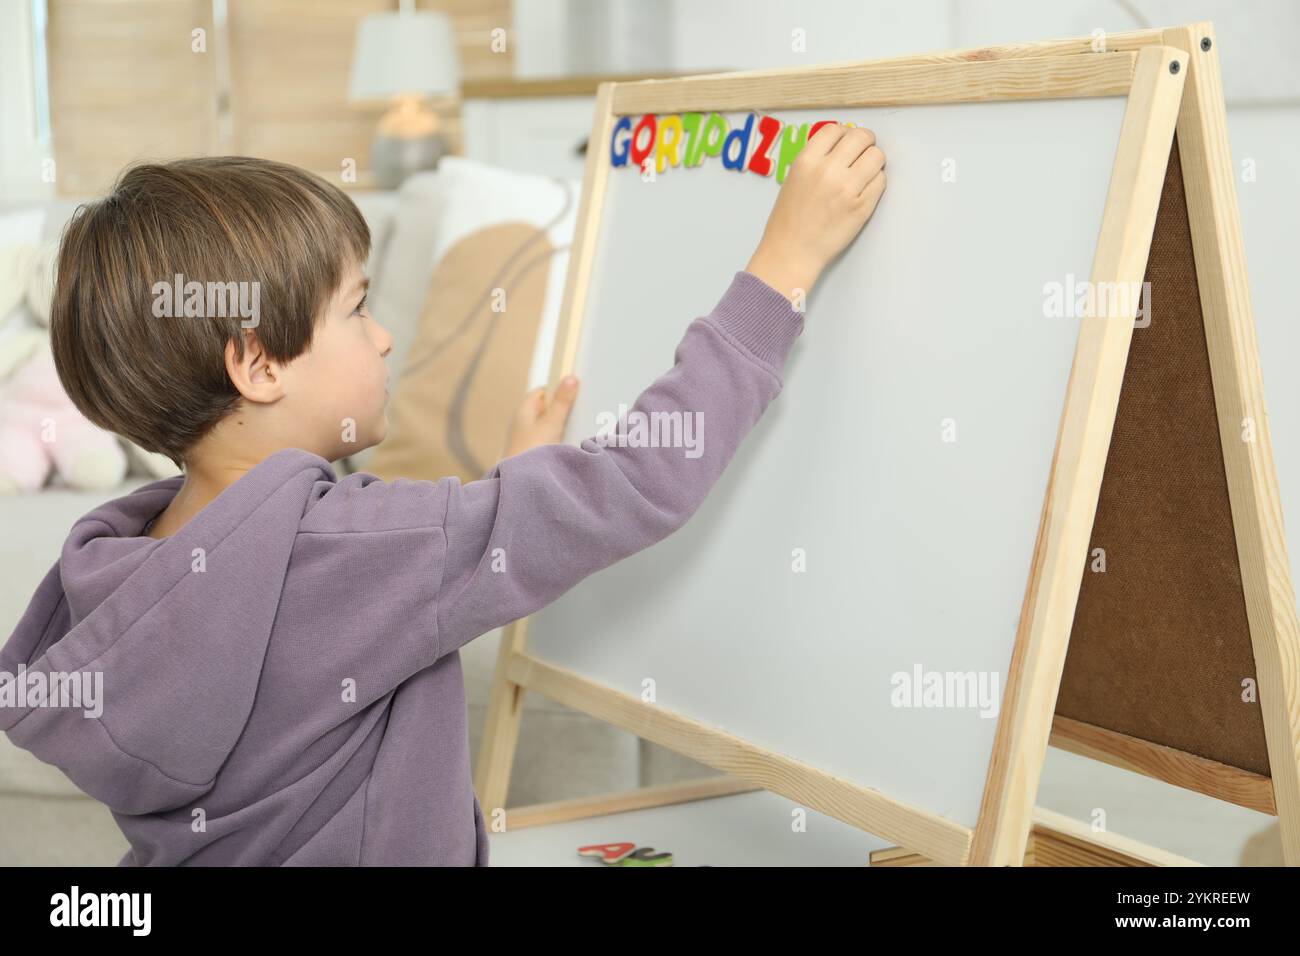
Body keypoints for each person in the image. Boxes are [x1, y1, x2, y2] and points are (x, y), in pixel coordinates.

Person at [0, 124, 886, 865]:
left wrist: (505, 494)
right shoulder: (351, 547)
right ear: (257, 363)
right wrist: (782, 268)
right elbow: (634, 482)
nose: (384, 339)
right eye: (357, 309)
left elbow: (357, 591)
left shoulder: (124, 573)